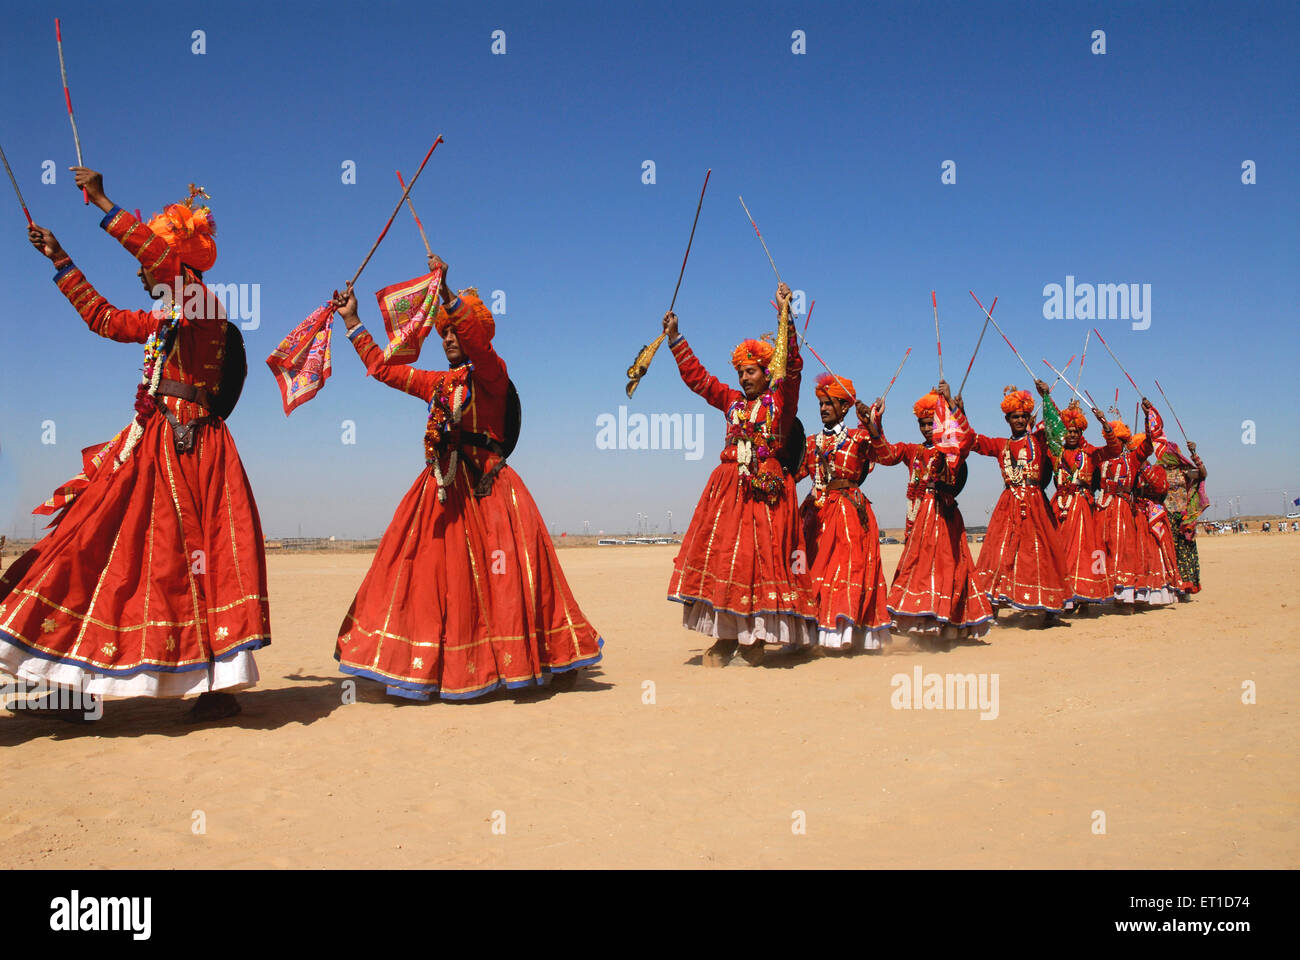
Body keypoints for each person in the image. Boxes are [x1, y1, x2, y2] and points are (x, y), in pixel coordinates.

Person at [2, 167, 267, 721]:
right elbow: (103, 319)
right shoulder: (167, 319)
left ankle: (213, 686)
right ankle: (74, 677)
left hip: (190, 446)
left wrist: (102, 201)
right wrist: (60, 259)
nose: (149, 273)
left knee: (187, 559)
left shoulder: (202, 307)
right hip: (156, 441)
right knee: (106, 548)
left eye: (158, 264)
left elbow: (160, 260)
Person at [331, 259, 602, 700]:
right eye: (445, 332)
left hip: (492, 491)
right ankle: (434, 666)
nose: (451, 338)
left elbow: (480, 346)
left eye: (457, 330)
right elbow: (384, 369)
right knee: (431, 576)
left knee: (511, 580)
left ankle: (544, 657)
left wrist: (450, 297)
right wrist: (353, 320)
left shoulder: (493, 375)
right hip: (444, 493)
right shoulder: (438, 384)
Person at [662, 282, 816, 666]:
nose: (745, 378)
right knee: (727, 558)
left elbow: (793, 369)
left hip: (766, 491)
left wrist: (785, 318)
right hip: (728, 490)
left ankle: (755, 639)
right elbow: (699, 380)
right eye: (741, 372)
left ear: (767, 373)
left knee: (760, 560)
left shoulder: (781, 401)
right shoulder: (731, 401)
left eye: (752, 372)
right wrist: (676, 339)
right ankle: (726, 637)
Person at [866, 381, 993, 644]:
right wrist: (875, 424)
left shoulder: (953, 448)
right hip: (918, 520)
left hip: (944, 518)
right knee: (917, 568)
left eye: (931, 423)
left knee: (949, 567)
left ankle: (951, 621)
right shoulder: (913, 451)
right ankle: (921, 621)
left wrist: (955, 408)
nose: (926, 429)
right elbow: (887, 455)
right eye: (923, 424)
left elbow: (966, 441)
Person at [793, 374, 891, 653]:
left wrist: (873, 426)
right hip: (816, 514)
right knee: (807, 569)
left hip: (849, 513)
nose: (823, 409)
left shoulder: (859, 438)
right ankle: (810, 634)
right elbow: (796, 473)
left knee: (846, 570)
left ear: (845, 407)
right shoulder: (811, 442)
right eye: (821, 404)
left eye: (829, 404)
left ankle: (842, 635)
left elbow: (884, 456)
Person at [966, 382, 1073, 619]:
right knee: (998, 551)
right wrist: (958, 412)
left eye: (1024, 416)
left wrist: (1046, 396)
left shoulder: (1039, 441)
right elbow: (972, 441)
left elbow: (1059, 429)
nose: (1020, 421)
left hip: (1036, 504)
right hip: (1008, 504)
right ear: (1007, 419)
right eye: (1015, 417)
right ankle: (991, 605)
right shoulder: (1000, 445)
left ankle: (1049, 607)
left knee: (1040, 551)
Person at [1044, 397, 1117, 611]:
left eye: (1076, 431)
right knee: (1058, 548)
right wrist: (1046, 399)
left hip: (1082, 506)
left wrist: (1104, 424)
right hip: (1059, 504)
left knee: (1083, 551)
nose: (1072, 434)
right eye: (1068, 430)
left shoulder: (1091, 453)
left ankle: (1083, 595)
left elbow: (1112, 450)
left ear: (1081, 432)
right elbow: (1045, 435)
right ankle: (1062, 592)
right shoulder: (1055, 454)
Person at [1160, 441, 1208, 594]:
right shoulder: (1159, 471)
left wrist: (1194, 454)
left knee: (1184, 551)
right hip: (1166, 515)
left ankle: (1185, 587)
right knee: (1168, 550)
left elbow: (1202, 473)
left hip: (1182, 517)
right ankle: (1169, 586)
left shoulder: (1185, 472)